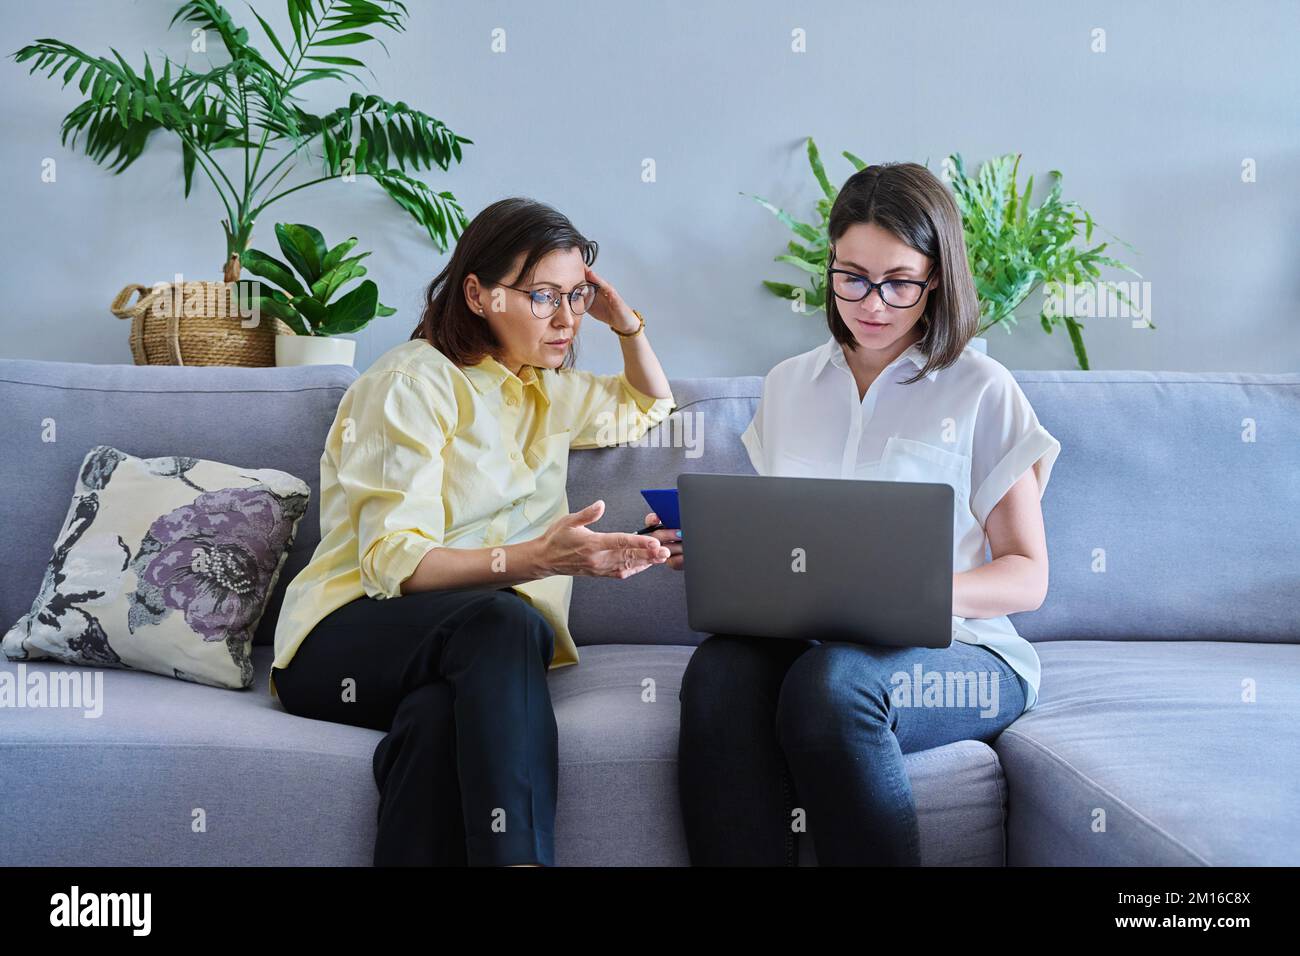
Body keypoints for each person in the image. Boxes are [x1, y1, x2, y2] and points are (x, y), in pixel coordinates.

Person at [652, 162, 1061, 865]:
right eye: (853, 278)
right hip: (815, 641)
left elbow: (1026, 576)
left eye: (900, 282)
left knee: (831, 687)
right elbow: (788, 539)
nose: (873, 304)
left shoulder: (981, 389)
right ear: (830, 267)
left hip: (963, 650)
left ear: (937, 277)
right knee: (719, 672)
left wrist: (910, 593)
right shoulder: (789, 385)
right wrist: (725, 553)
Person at [269, 197, 675, 867]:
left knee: (436, 721)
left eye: (577, 297)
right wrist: (540, 558)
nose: (568, 319)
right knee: (509, 621)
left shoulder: (549, 390)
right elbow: (392, 564)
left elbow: (647, 404)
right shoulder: (410, 383)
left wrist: (626, 324)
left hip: (467, 655)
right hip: (346, 637)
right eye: (544, 296)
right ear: (478, 293)